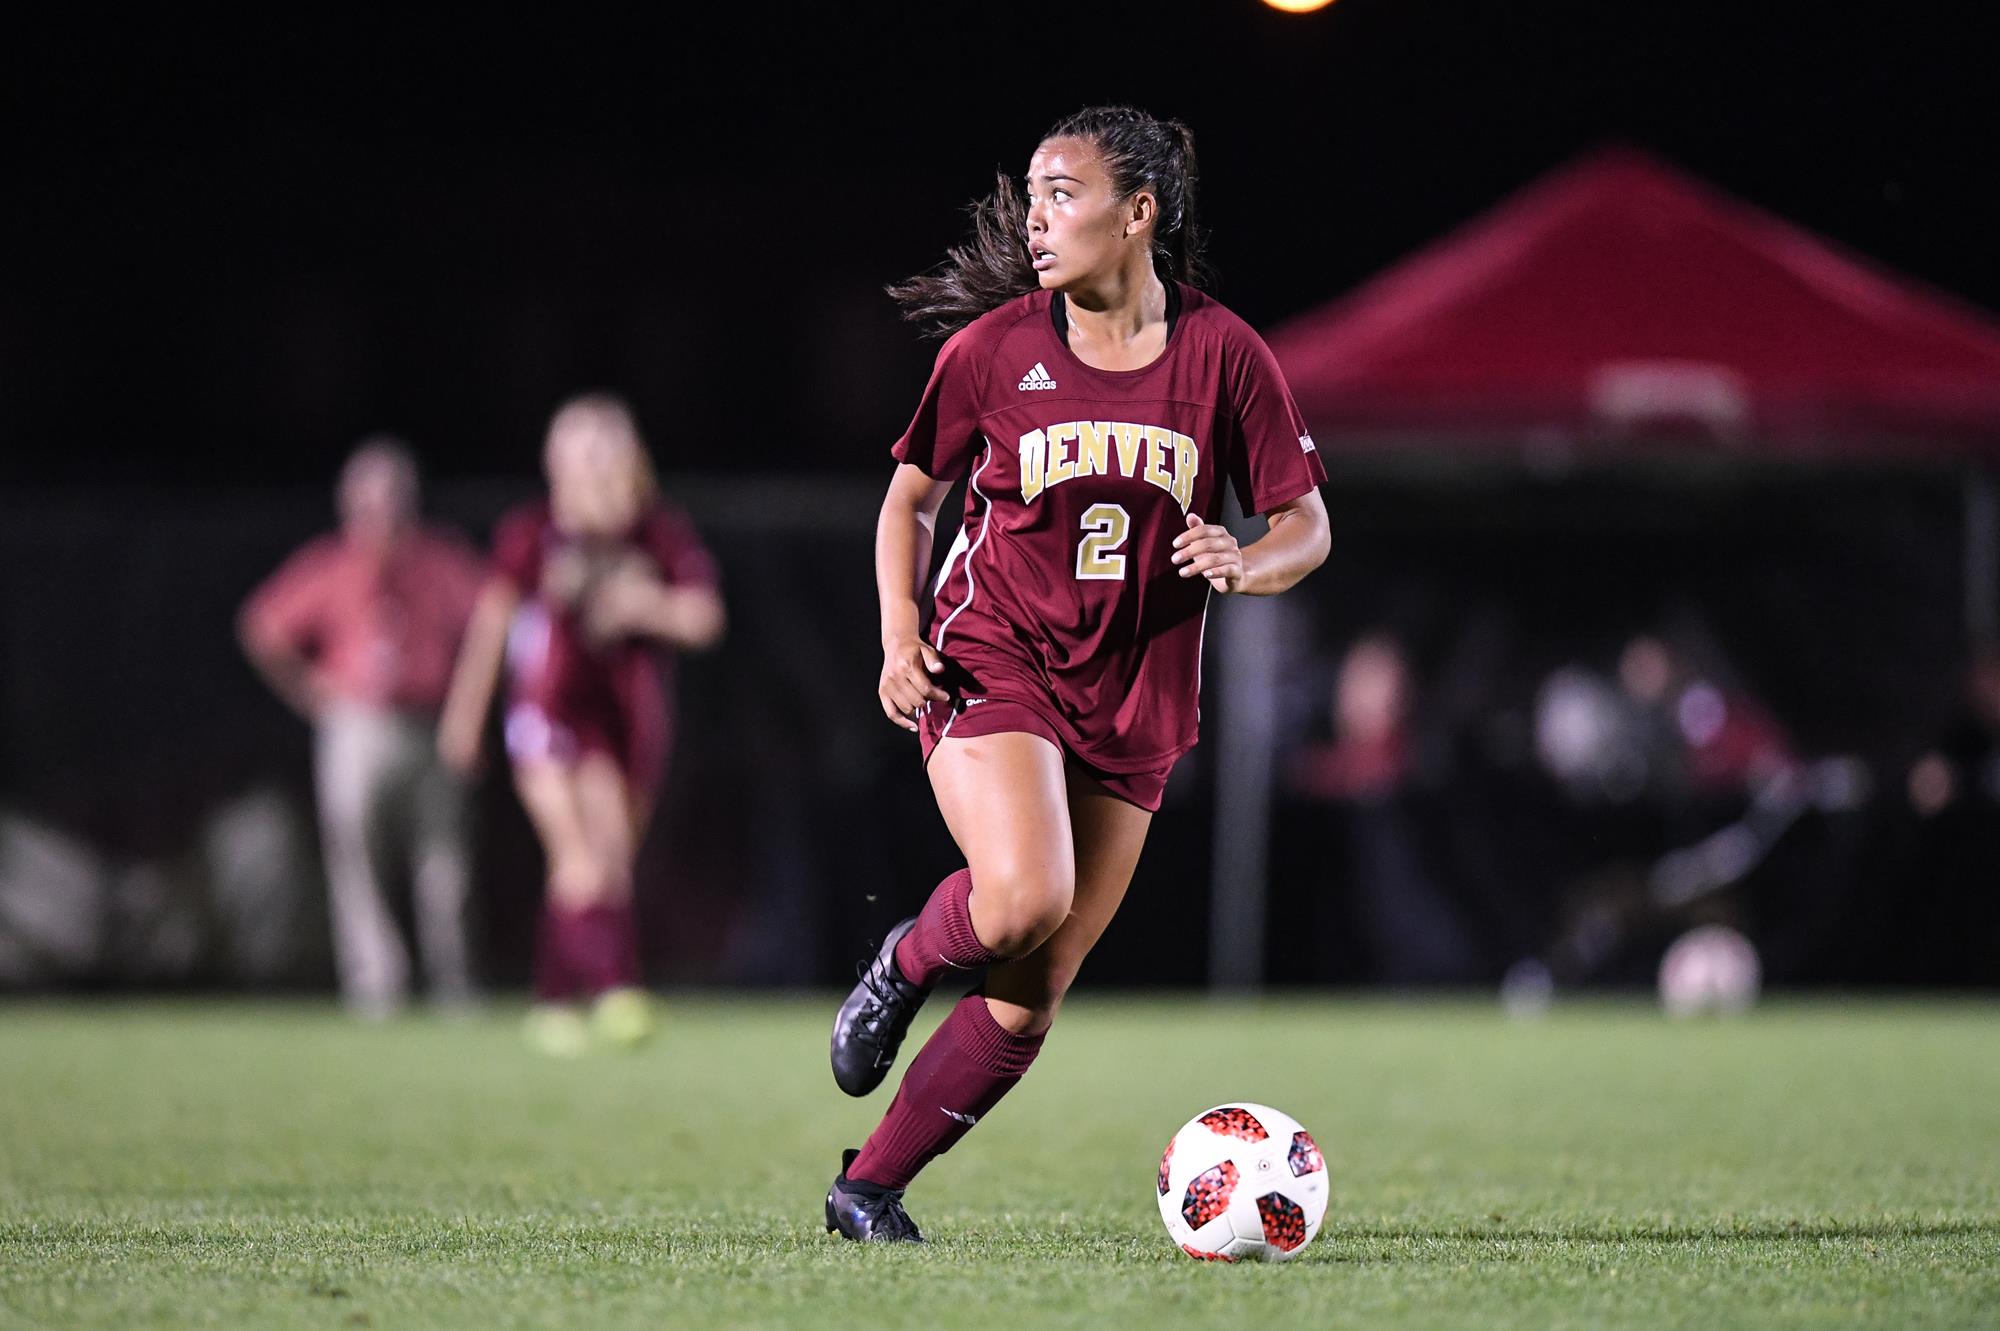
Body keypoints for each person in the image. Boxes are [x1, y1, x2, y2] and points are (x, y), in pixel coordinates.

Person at [824, 106, 1330, 1242]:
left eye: (1063, 194)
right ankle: (903, 958)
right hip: (993, 651)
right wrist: (900, 636)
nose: (1034, 218)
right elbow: (909, 497)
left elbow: (1306, 524)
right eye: (1034, 194)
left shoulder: (1224, 355)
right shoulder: (995, 349)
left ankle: (866, 1186)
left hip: (1135, 692)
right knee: (1020, 894)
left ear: (1137, 213)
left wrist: (1245, 562)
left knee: (1029, 981)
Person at [437, 394, 724, 1054]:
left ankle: (552, 1001)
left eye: (608, 446)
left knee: (605, 863)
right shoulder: (533, 531)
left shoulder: (654, 532)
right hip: (546, 709)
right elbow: (492, 624)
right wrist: (464, 715)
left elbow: (703, 617)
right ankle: (618, 985)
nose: (598, 462)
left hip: (623, 718)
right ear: (556, 460)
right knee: (580, 854)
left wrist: (640, 604)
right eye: (583, 447)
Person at [239, 437, 487, 1017]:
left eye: (394, 494)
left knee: (445, 867)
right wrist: (310, 691)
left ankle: (455, 985)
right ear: (347, 502)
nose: (383, 508)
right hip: (358, 726)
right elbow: (262, 626)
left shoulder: (441, 559)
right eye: (369, 496)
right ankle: (376, 987)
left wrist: (469, 711)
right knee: (358, 859)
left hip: (432, 723)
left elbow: (492, 626)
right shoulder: (330, 563)